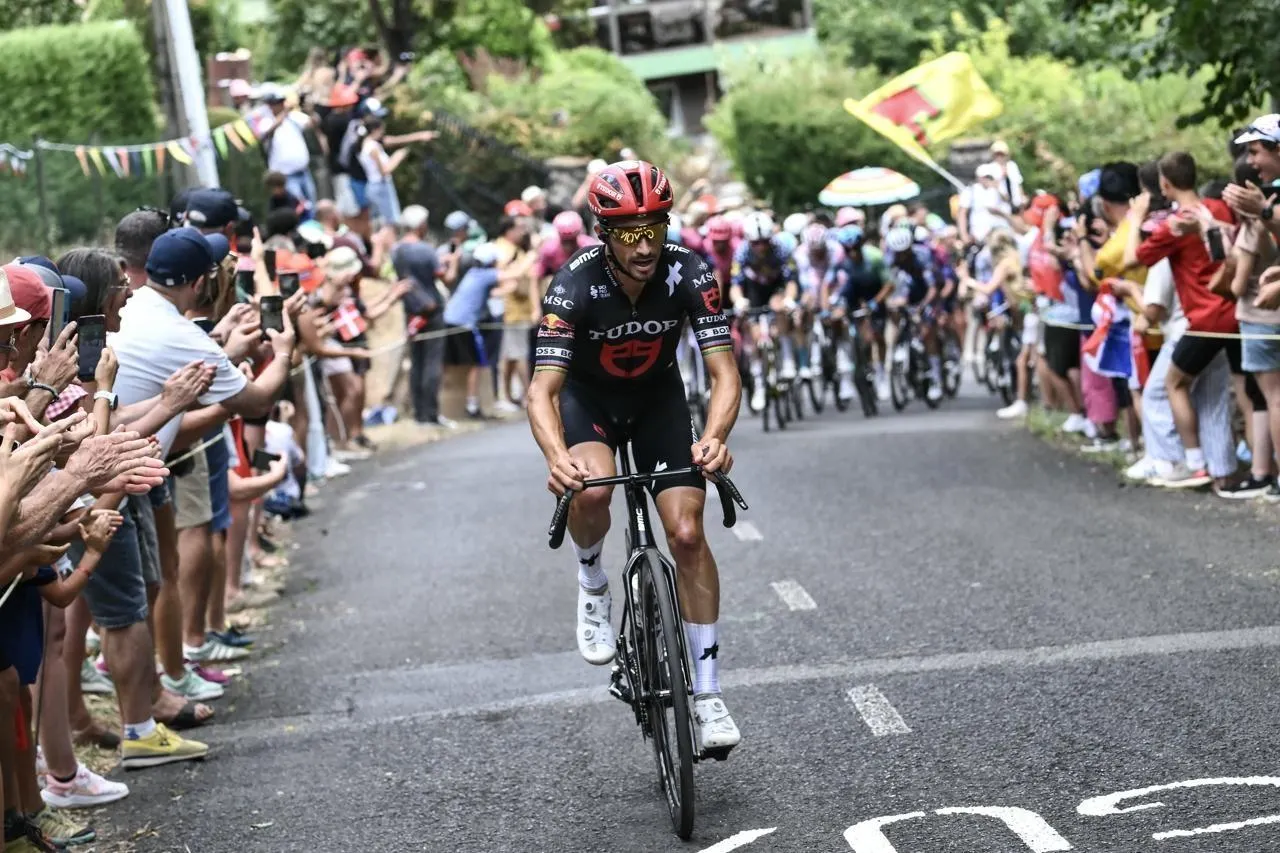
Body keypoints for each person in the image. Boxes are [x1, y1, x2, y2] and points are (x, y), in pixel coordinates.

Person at [525, 160, 743, 753]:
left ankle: (707, 693)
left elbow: (725, 374)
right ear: (604, 233)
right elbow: (542, 390)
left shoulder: (691, 272)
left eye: (653, 227)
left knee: (688, 533)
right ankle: (593, 581)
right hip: (588, 401)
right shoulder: (572, 284)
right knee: (593, 490)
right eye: (628, 232)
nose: (644, 245)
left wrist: (717, 436)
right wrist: (554, 456)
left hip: (658, 401)